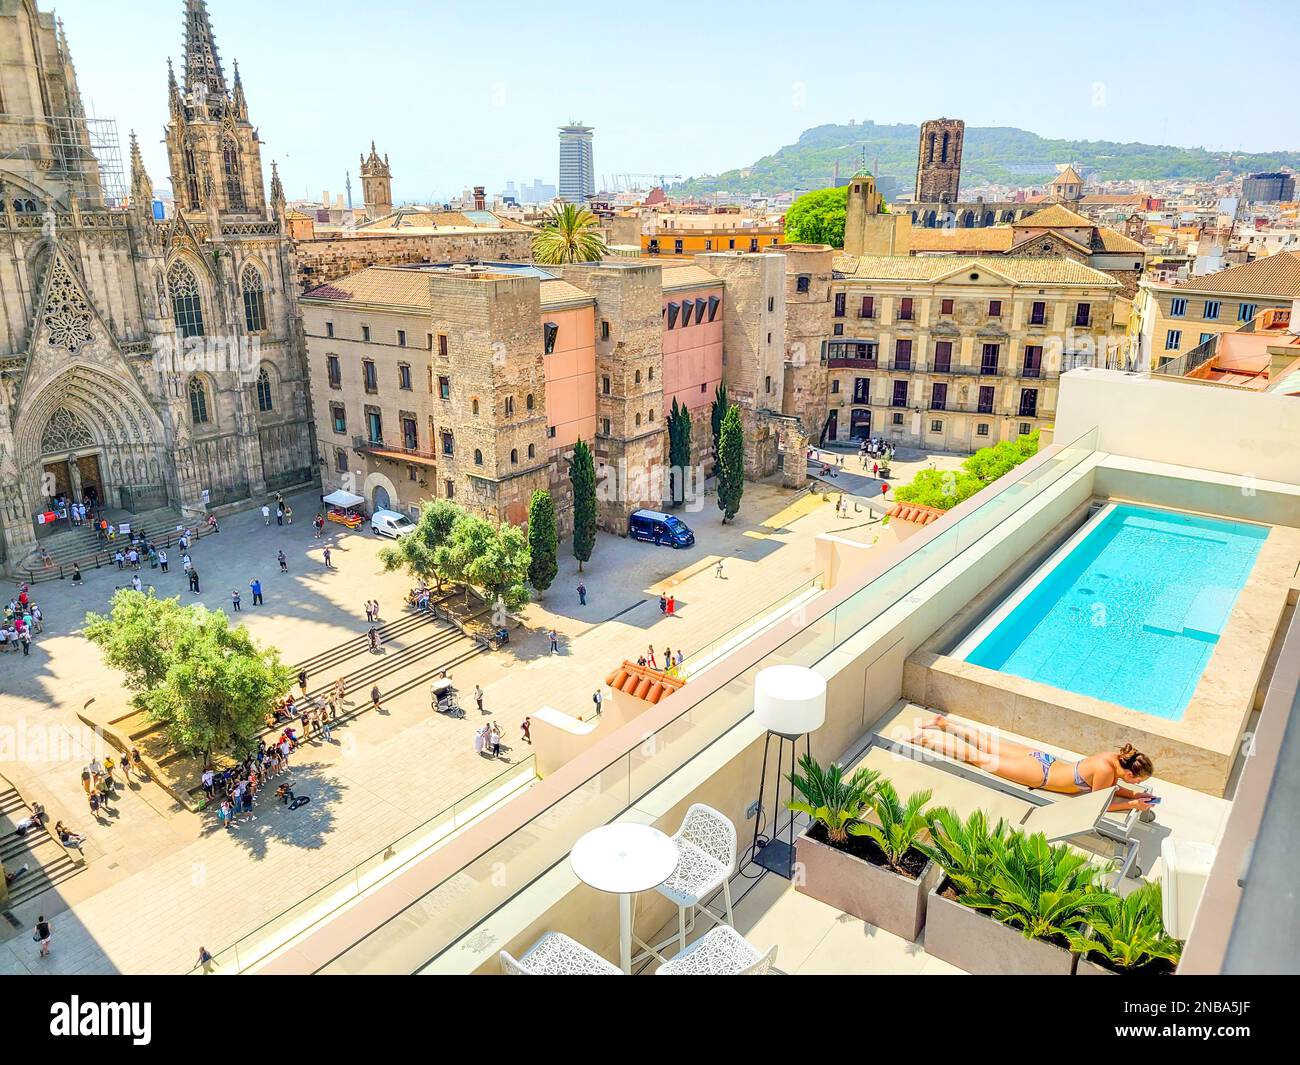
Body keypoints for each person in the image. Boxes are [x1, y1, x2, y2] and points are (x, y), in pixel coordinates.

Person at [908, 718, 1158, 813]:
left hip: (1043, 760)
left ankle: (943, 724)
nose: (1138, 783)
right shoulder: (1106, 772)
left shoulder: (1110, 760)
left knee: (988, 745)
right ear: (1129, 772)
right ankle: (926, 739)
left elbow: (1110, 790)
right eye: (1138, 780)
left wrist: (1134, 794)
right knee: (980, 758)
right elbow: (1099, 804)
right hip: (1040, 775)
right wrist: (1133, 805)